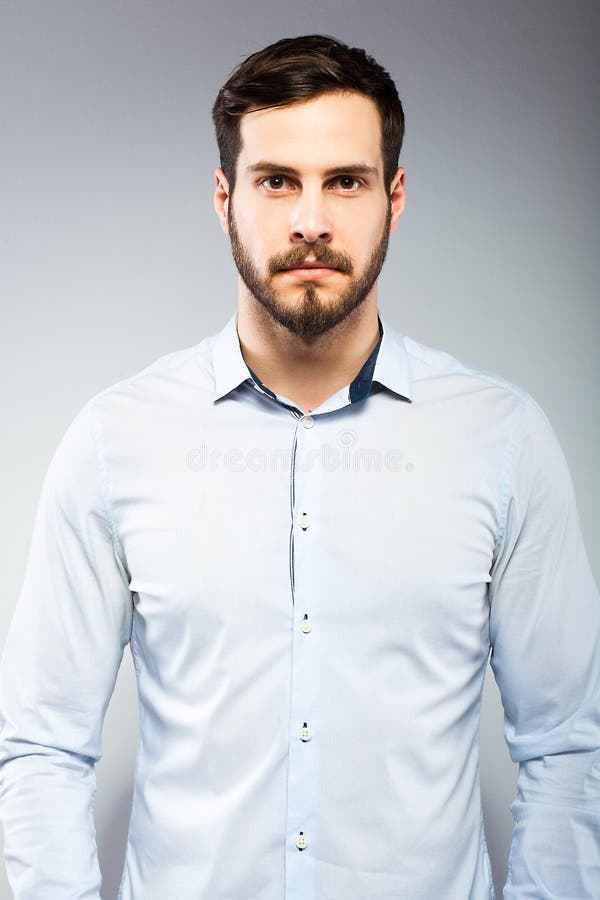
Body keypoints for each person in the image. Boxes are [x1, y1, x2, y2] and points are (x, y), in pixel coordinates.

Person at [0, 33, 598, 900]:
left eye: (345, 182)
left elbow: (571, 747)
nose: (310, 219)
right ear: (223, 198)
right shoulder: (113, 442)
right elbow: (39, 746)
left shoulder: (504, 441)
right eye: (276, 180)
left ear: (395, 198)